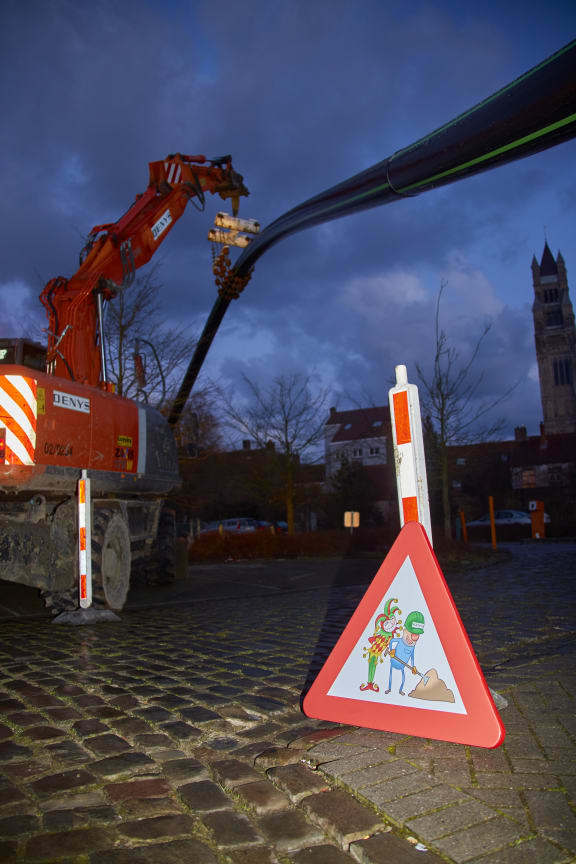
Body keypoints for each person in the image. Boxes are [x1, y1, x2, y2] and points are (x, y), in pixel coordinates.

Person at [359, 598, 402, 693]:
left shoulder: (390, 635)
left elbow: (388, 644)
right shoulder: (383, 634)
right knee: (372, 664)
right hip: (373, 651)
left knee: (373, 665)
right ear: (382, 626)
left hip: (378, 653)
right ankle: (369, 683)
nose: (391, 623)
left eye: (392, 619)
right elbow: (373, 640)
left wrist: (389, 650)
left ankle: (370, 684)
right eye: (387, 623)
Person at [385, 610, 425, 696]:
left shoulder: (412, 647)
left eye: (416, 637)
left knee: (403, 678)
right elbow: (392, 641)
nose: (412, 640)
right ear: (404, 631)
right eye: (412, 635)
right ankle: (389, 688)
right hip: (394, 661)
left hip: (403, 665)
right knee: (391, 675)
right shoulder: (400, 640)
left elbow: (412, 656)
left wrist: (413, 666)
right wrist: (392, 650)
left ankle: (400, 690)